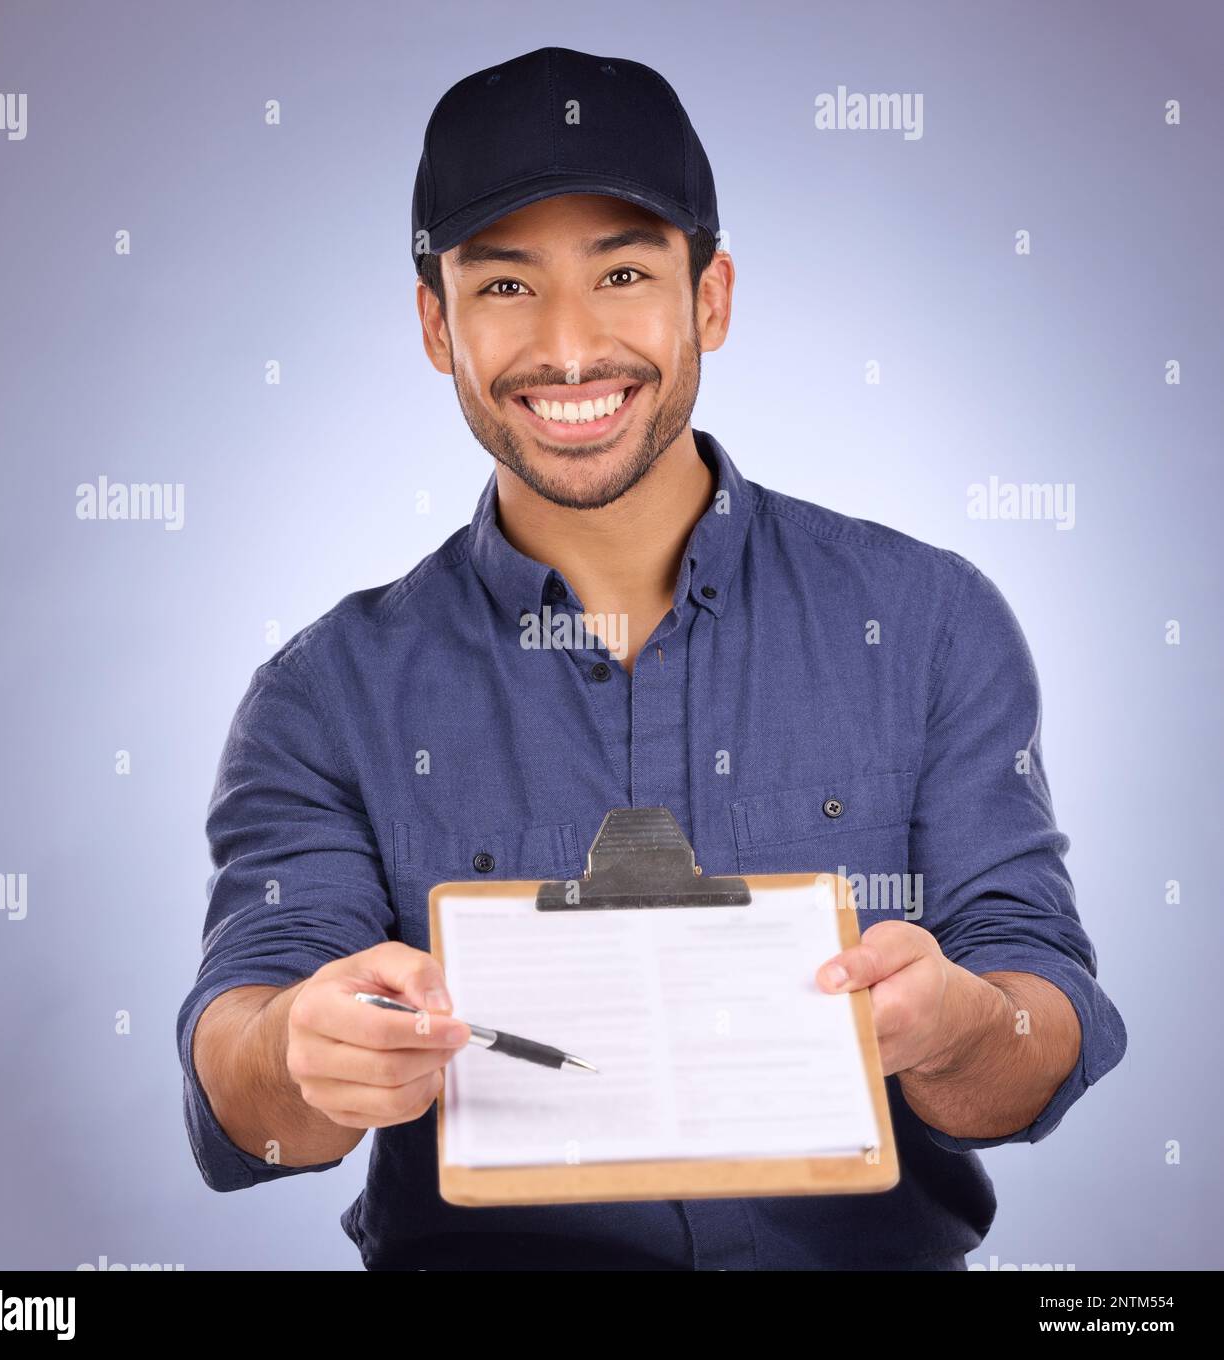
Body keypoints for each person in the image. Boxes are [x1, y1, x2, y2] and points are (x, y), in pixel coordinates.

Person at [177, 46, 1126, 1270]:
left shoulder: (930, 619)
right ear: (434, 323)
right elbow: (244, 1070)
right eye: (505, 286)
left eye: (622, 271)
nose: (569, 350)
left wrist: (952, 1027)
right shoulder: (324, 696)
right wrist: (298, 1050)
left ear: (710, 297)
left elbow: (1035, 1007)